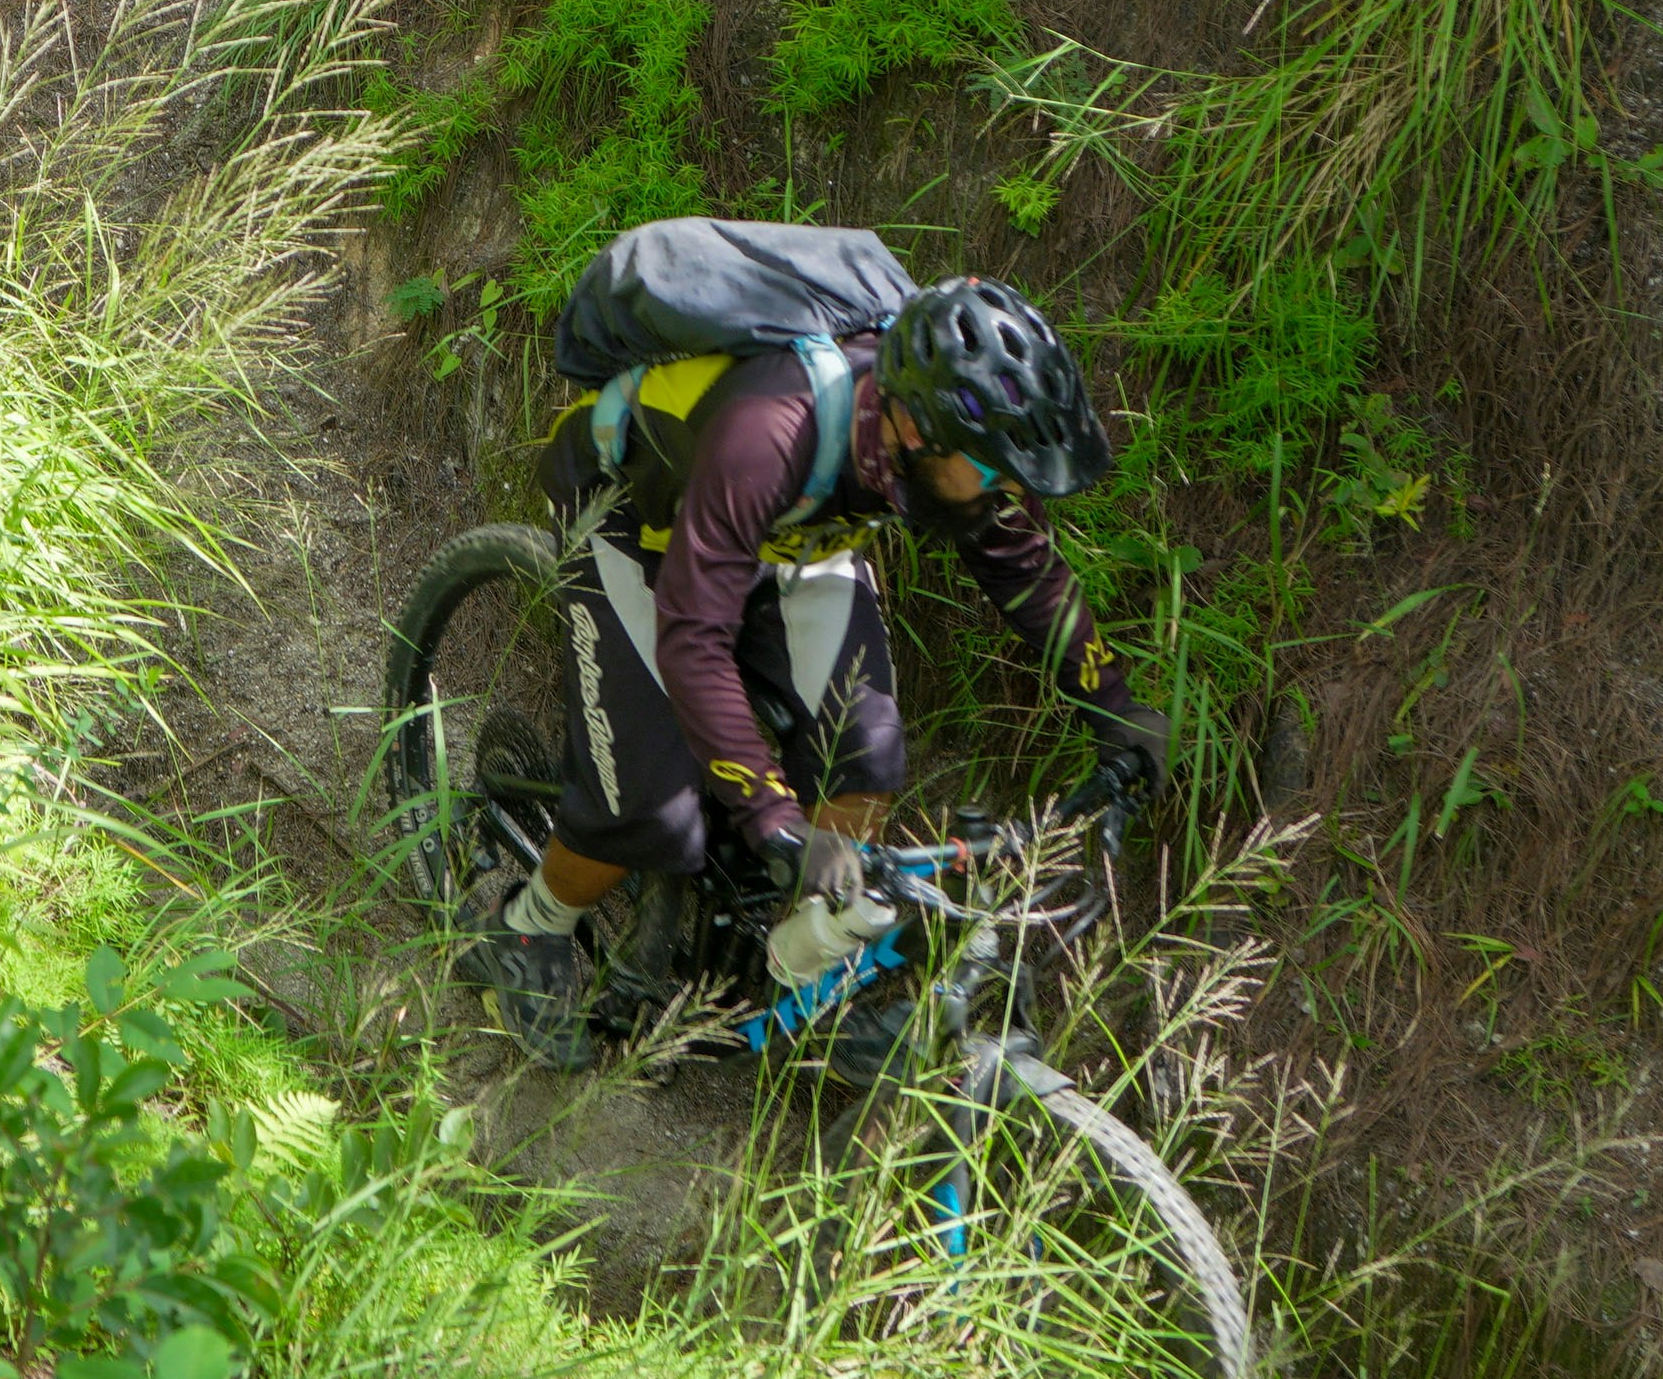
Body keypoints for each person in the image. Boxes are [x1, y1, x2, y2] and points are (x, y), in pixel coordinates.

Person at [459, 272, 1167, 1072]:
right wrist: (775, 819)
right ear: (919, 429)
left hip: (788, 537)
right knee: (646, 807)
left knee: (863, 755)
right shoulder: (771, 430)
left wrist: (1117, 710)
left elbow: (1027, 571)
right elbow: (693, 638)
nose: (1009, 487)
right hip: (637, 521)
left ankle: (793, 974)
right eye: (996, 468)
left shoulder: (937, 456)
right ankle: (527, 926)